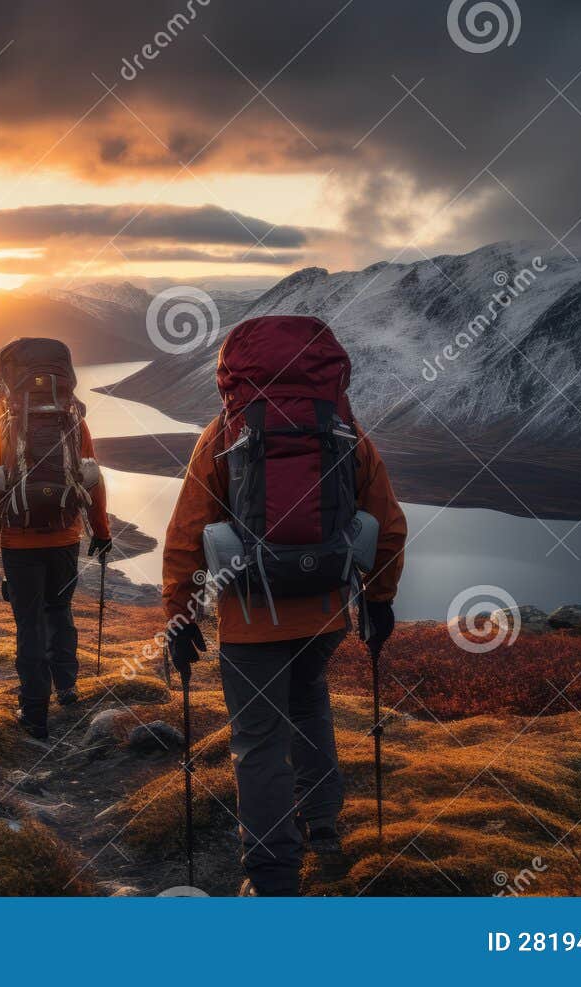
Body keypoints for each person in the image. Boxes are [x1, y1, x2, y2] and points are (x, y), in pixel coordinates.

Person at [160, 315, 406, 896]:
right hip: (324, 615)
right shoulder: (346, 433)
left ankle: (271, 873)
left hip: (250, 624)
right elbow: (389, 527)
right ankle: (323, 828)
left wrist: (180, 614)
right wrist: (380, 600)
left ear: (235, 375)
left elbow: (186, 535)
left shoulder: (223, 435)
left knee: (258, 740)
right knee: (311, 708)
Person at [0, 339, 111, 740]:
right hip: (65, 535)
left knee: (29, 623)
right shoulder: (73, 418)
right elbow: (91, 477)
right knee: (59, 610)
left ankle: (33, 713)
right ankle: (67, 688)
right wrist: (101, 531)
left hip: (18, 540)